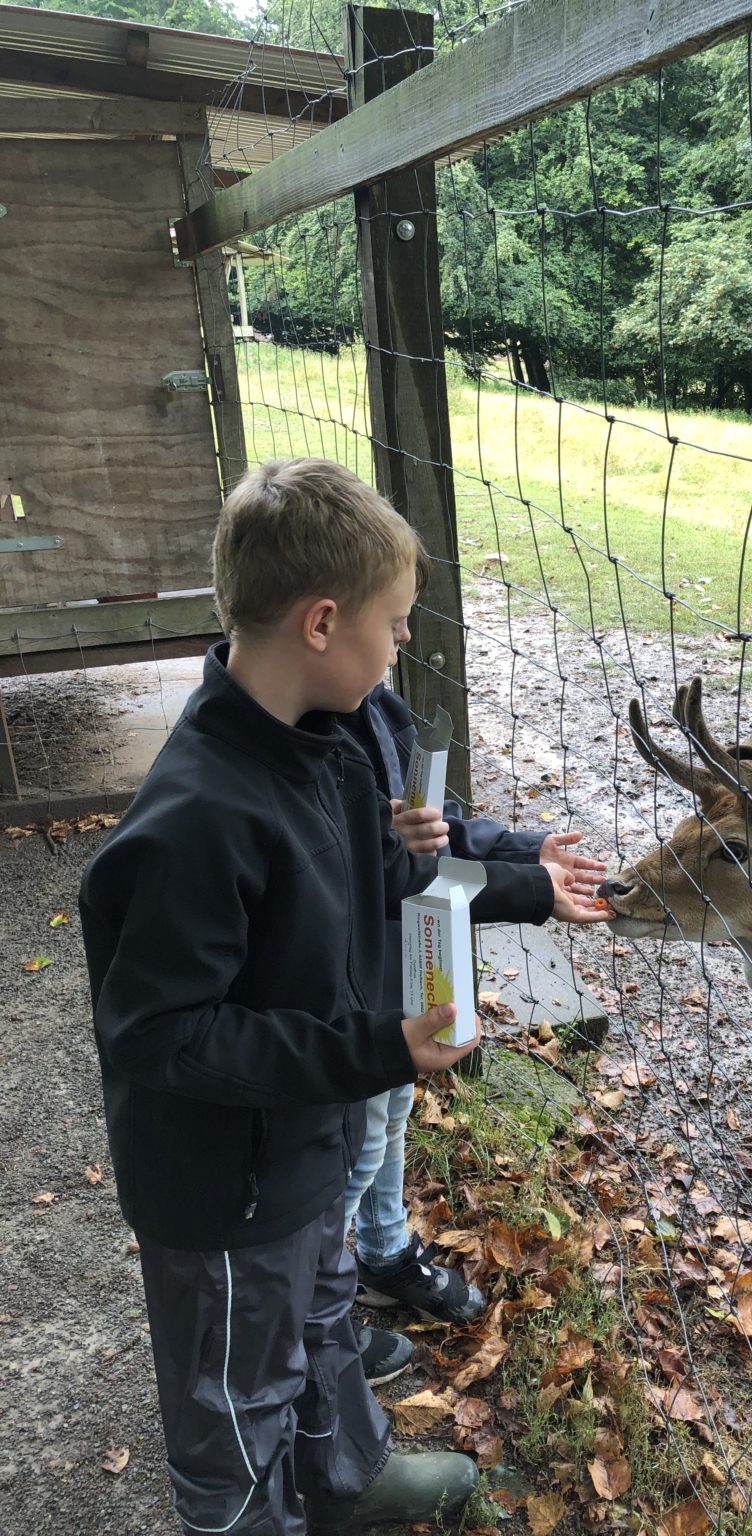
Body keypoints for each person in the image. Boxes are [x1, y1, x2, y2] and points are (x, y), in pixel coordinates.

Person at [78, 458, 611, 1536]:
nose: (404, 641)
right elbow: (161, 1033)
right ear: (323, 622)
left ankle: (343, 1477)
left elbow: (394, 873)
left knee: (322, 1313)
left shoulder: (320, 747)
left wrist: (522, 888)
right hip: (223, 1194)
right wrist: (372, 1048)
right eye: (397, 621)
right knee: (237, 1395)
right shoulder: (200, 817)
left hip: (301, 1144)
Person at [342, 685, 607, 1324]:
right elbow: (385, 868)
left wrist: (518, 850)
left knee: (393, 1111)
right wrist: (530, 889)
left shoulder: (380, 709)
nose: (404, 635)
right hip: (352, 978)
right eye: (392, 617)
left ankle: (381, 1253)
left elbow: (427, 831)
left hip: (395, 966)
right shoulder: (322, 742)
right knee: (357, 1143)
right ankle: (313, 1317)